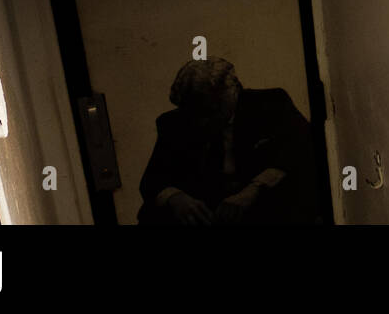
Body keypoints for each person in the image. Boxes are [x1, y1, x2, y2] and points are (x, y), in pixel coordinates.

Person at [137, 58, 321, 225]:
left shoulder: (271, 104)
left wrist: (254, 189)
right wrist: (175, 198)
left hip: (266, 209)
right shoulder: (174, 123)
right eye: (193, 112)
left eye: (209, 112)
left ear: (232, 95)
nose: (200, 122)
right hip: (209, 215)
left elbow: (304, 150)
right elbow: (152, 180)